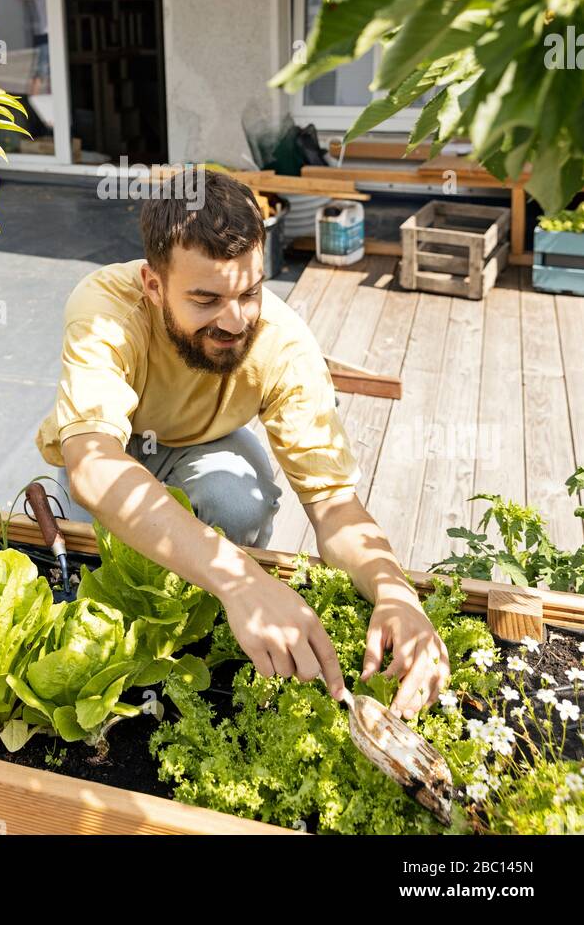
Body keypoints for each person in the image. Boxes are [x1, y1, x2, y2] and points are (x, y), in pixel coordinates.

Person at [34, 170, 450, 719]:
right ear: (153, 285)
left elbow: (334, 507)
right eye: (205, 299)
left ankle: (208, 620)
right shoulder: (106, 306)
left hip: (202, 448)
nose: (234, 320)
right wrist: (241, 579)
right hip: (115, 449)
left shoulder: (285, 345)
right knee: (98, 561)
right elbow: (92, 467)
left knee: (239, 502)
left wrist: (396, 593)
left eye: (249, 293)